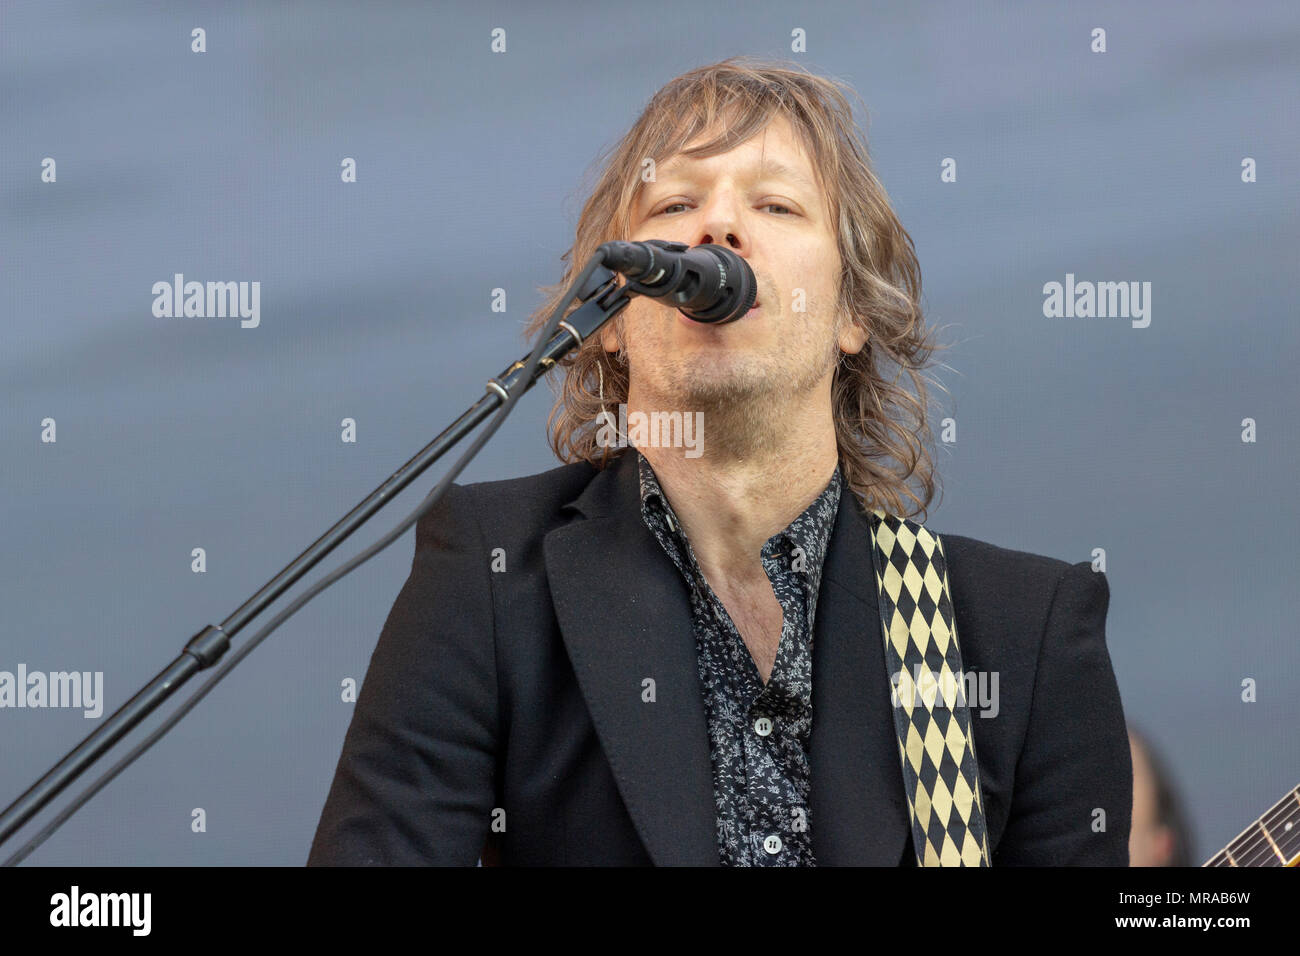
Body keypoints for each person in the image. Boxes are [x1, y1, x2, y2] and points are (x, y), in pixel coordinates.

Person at [307, 56, 1131, 866]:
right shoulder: (489, 576)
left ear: (853, 311)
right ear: (612, 317)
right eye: (675, 202)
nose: (719, 228)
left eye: (776, 204)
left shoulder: (1022, 636)